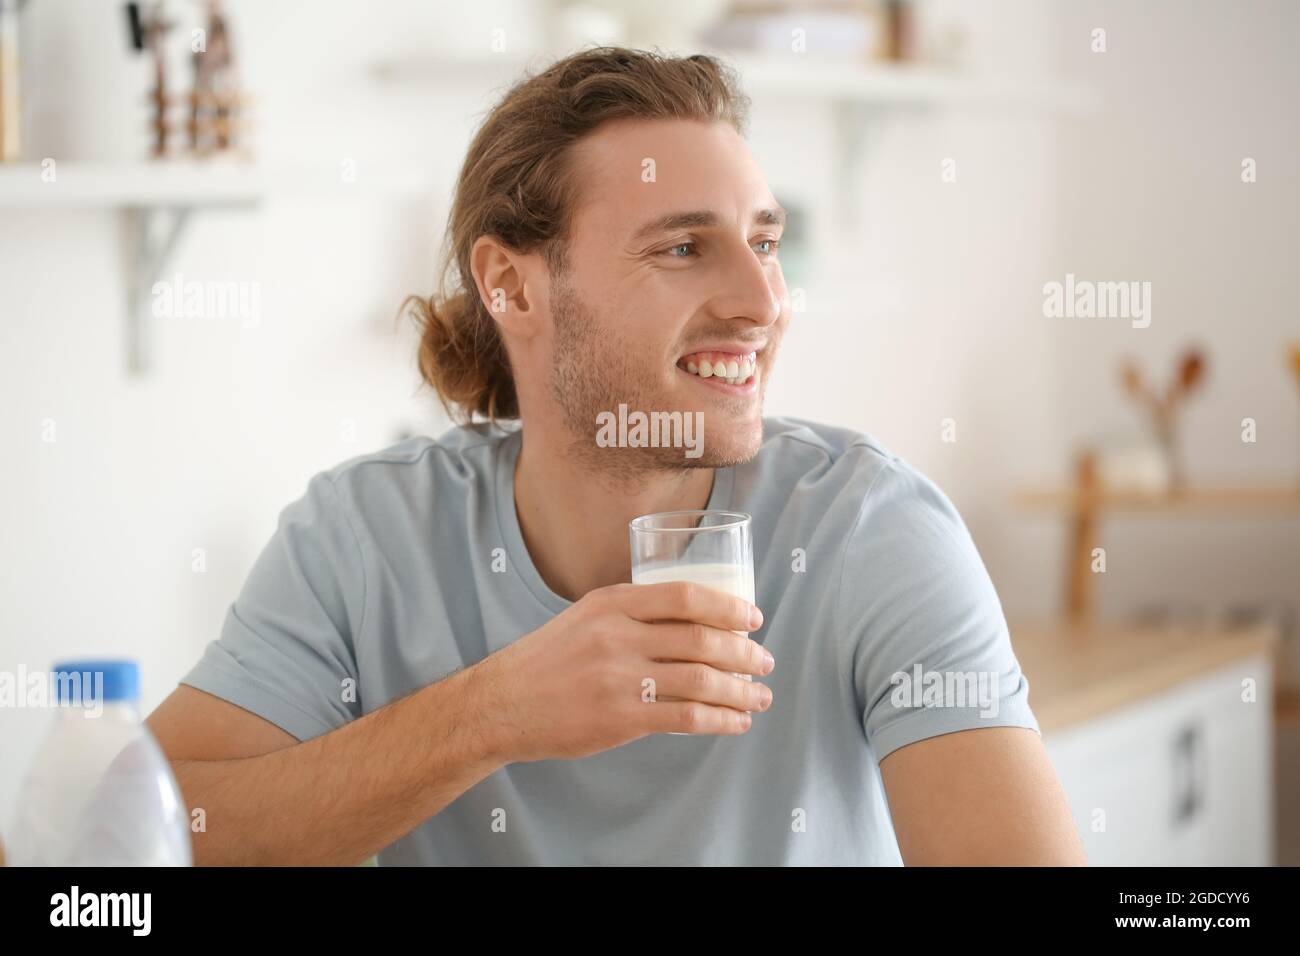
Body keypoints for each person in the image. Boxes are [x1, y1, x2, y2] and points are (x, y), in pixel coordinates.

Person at [146, 47, 1085, 866]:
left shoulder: (869, 530)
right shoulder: (364, 539)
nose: (763, 302)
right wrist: (493, 714)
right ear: (512, 286)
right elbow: (129, 839)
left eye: (765, 243)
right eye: (684, 247)